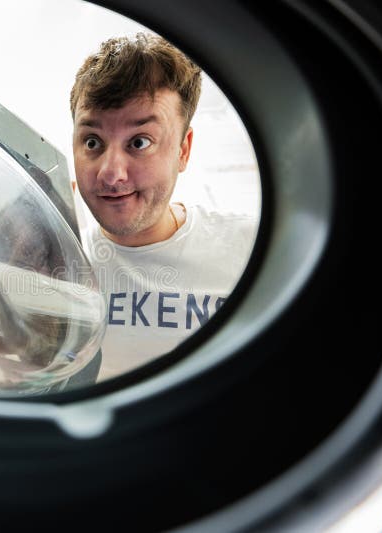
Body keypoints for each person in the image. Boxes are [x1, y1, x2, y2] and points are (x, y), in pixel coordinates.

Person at [70, 32, 257, 381]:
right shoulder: (55, 258)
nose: (111, 173)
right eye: (92, 141)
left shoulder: (252, 249)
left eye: (139, 142)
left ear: (183, 151)